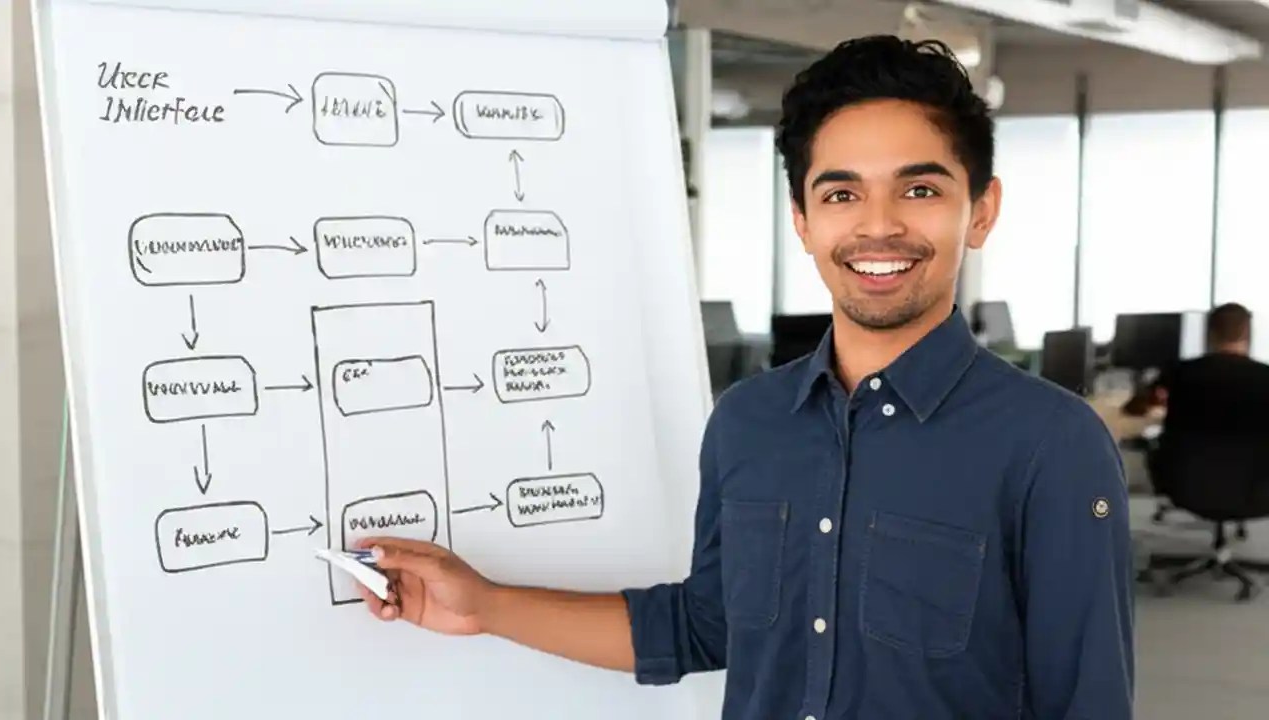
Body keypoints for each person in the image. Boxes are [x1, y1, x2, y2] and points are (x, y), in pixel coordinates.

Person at [358, 36, 1134, 719]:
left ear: (981, 211)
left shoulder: (1051, 445)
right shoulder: (749, 421)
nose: (879, 224)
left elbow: (1087, 702)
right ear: (802, 218)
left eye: (920, 189)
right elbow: (706, 625)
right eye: (841, 193)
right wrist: (485, 606)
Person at [1148, 303, 1269, 538]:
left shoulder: (1179, 371)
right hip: (1258, 493)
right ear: (1249, 334)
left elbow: (1136, 407)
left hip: (1186, 486)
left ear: (1209, 334)